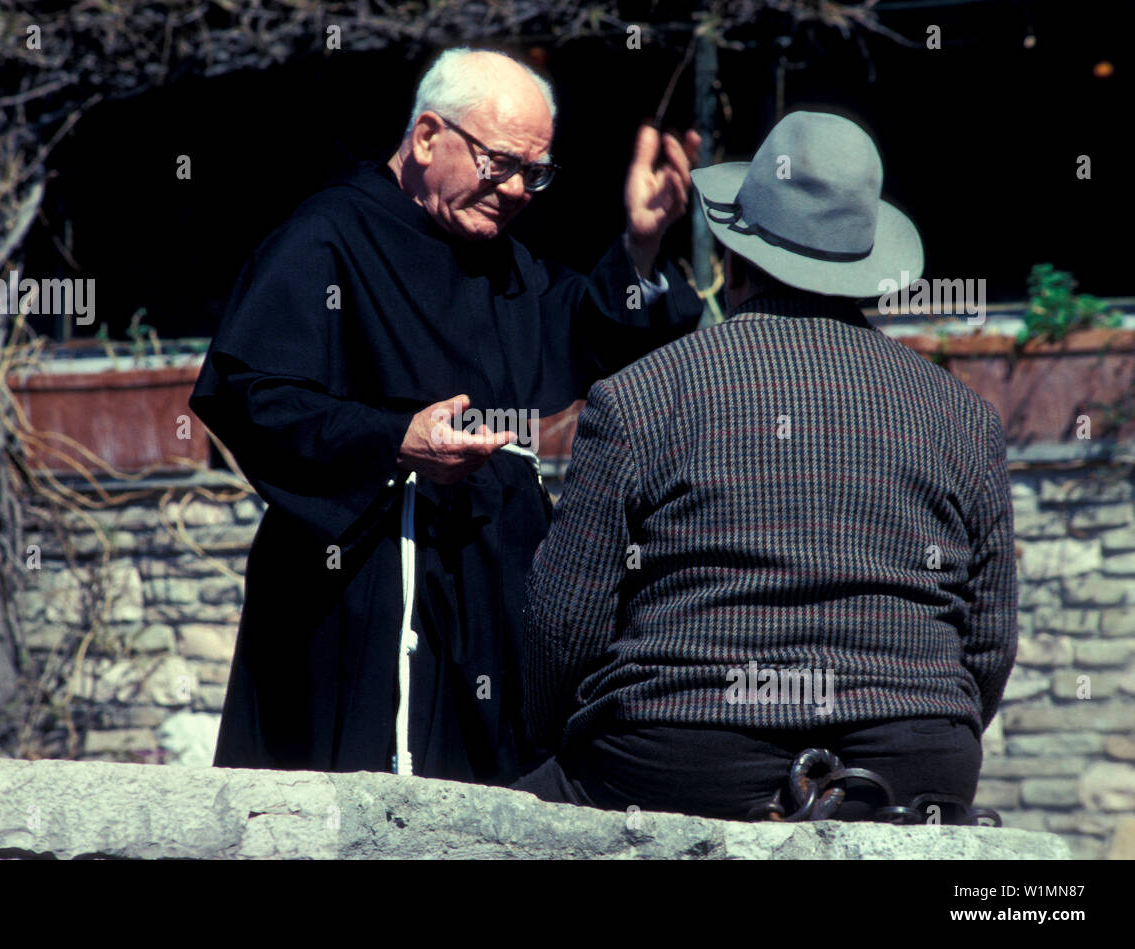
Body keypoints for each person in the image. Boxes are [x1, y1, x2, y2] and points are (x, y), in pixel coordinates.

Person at [189, 47, 705, 786]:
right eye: (502, 163)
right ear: (428, 136)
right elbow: (254, 396)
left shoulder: (507, 263)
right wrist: (395, 440)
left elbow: (590, 330)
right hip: (363, 592)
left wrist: (641, 241)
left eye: (537, 171)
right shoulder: (331, 235)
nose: (521, 188)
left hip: (492, 598)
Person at [515, 110, 1018, 823]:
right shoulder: (966, 418)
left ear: (731, 256)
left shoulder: (637, 397)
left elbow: (562, 626)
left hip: (680, 754)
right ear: (866, 269)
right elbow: (989, 643)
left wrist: (559, 740)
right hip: (909, 766)